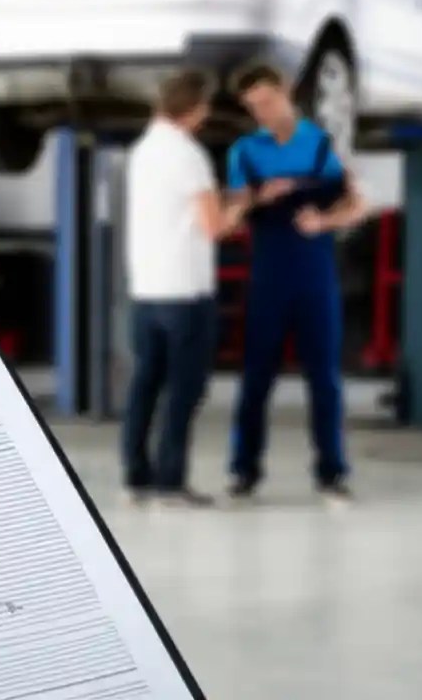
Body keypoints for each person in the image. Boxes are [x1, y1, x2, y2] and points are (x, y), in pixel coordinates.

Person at [224, 64, 369, 504]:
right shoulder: (244, 153)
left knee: (324, 379)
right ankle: (244, 471)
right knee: (255, 380)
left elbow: (358, 205)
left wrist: (325, 220)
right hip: (267, 277)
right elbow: (229, 215)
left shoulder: (322, 143)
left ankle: (332, 472)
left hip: (315, 276)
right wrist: (254, 198)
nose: (263, 113)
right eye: (254, 108)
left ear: (286, 91)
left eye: (267, 101)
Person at [122, 69, 242, 507]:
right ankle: (171, 482)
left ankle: (136, 477)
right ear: (194, 108)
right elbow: (213, 226)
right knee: (183, 390)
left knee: (145, 385)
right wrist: (241, 206)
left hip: (146, 289)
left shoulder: (143, 151)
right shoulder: (189, 155)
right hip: (186, 293)